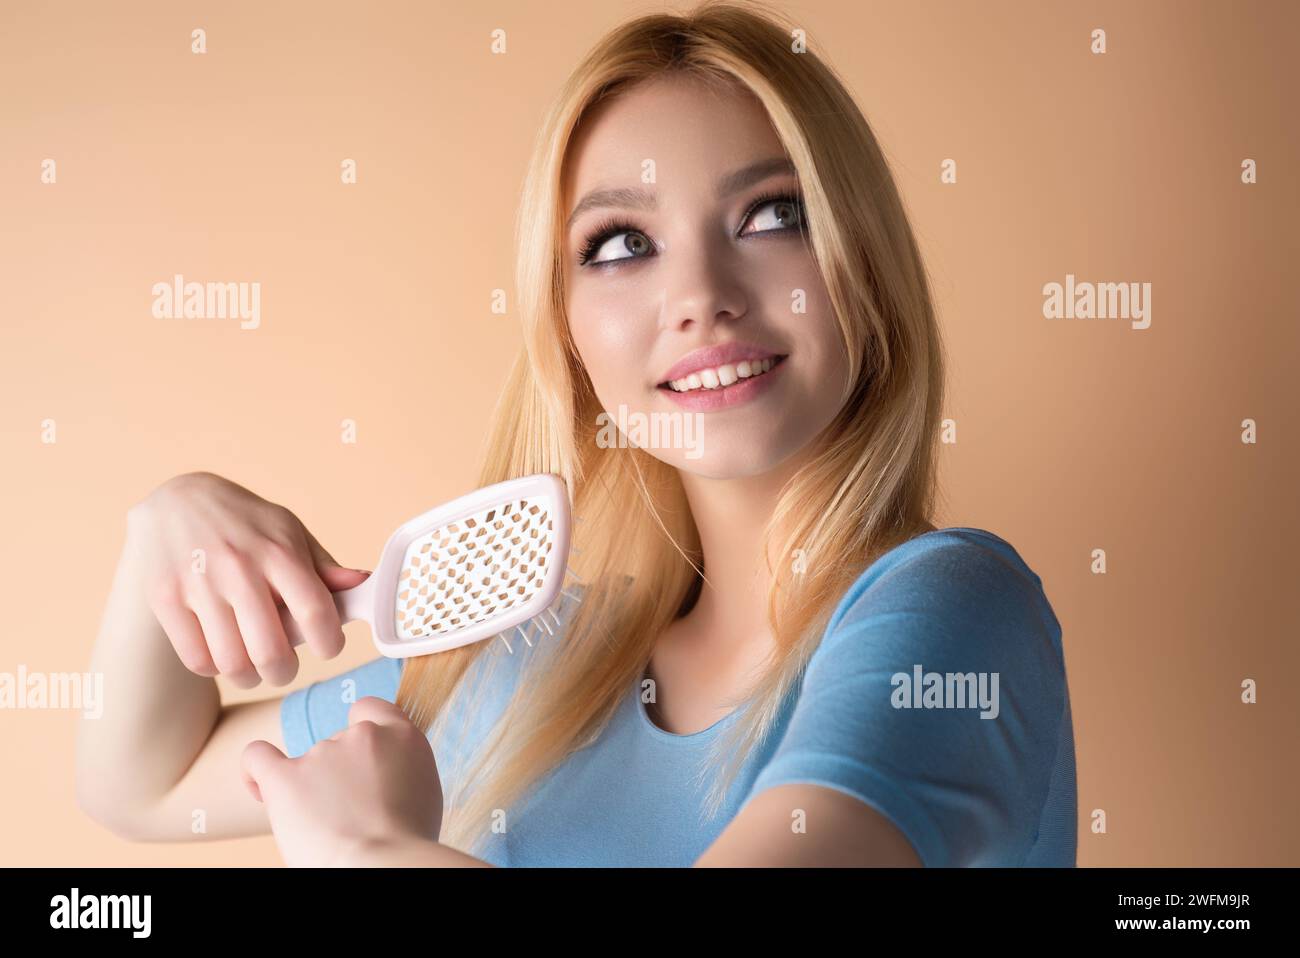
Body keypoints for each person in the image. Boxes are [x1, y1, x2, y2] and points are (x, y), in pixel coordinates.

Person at [76, 0, 1076, 867]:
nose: (701, 297)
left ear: (865, 260)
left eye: (773, 215)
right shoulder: (534, 660)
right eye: (623, 243)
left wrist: (373, 852)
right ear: (567, 330)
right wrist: (168, 528)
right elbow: (141, 784)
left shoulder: (956, 613)